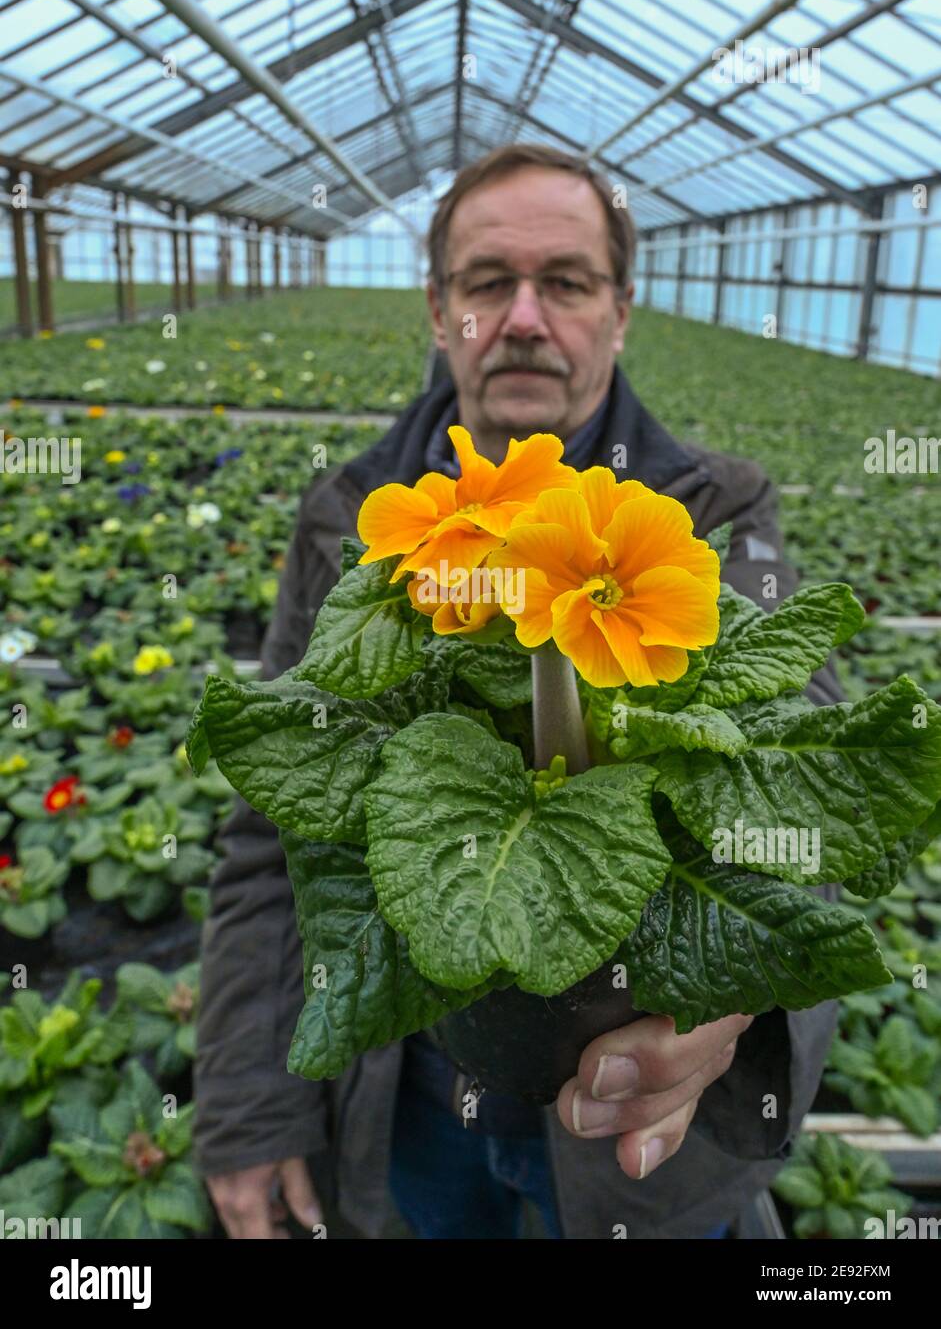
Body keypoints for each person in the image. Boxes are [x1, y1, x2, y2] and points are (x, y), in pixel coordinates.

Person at [194, 143, 842, 1240]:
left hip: (634, 1139)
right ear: (437, 307)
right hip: (407, 1098)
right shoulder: (353, 517)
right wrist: (251, 1105)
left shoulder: (713, 507)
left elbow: (809, 791)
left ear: (620, 312)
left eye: (568, 281)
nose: (525, 317)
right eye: (487, 282)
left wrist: (732, 993)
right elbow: (276, 828)